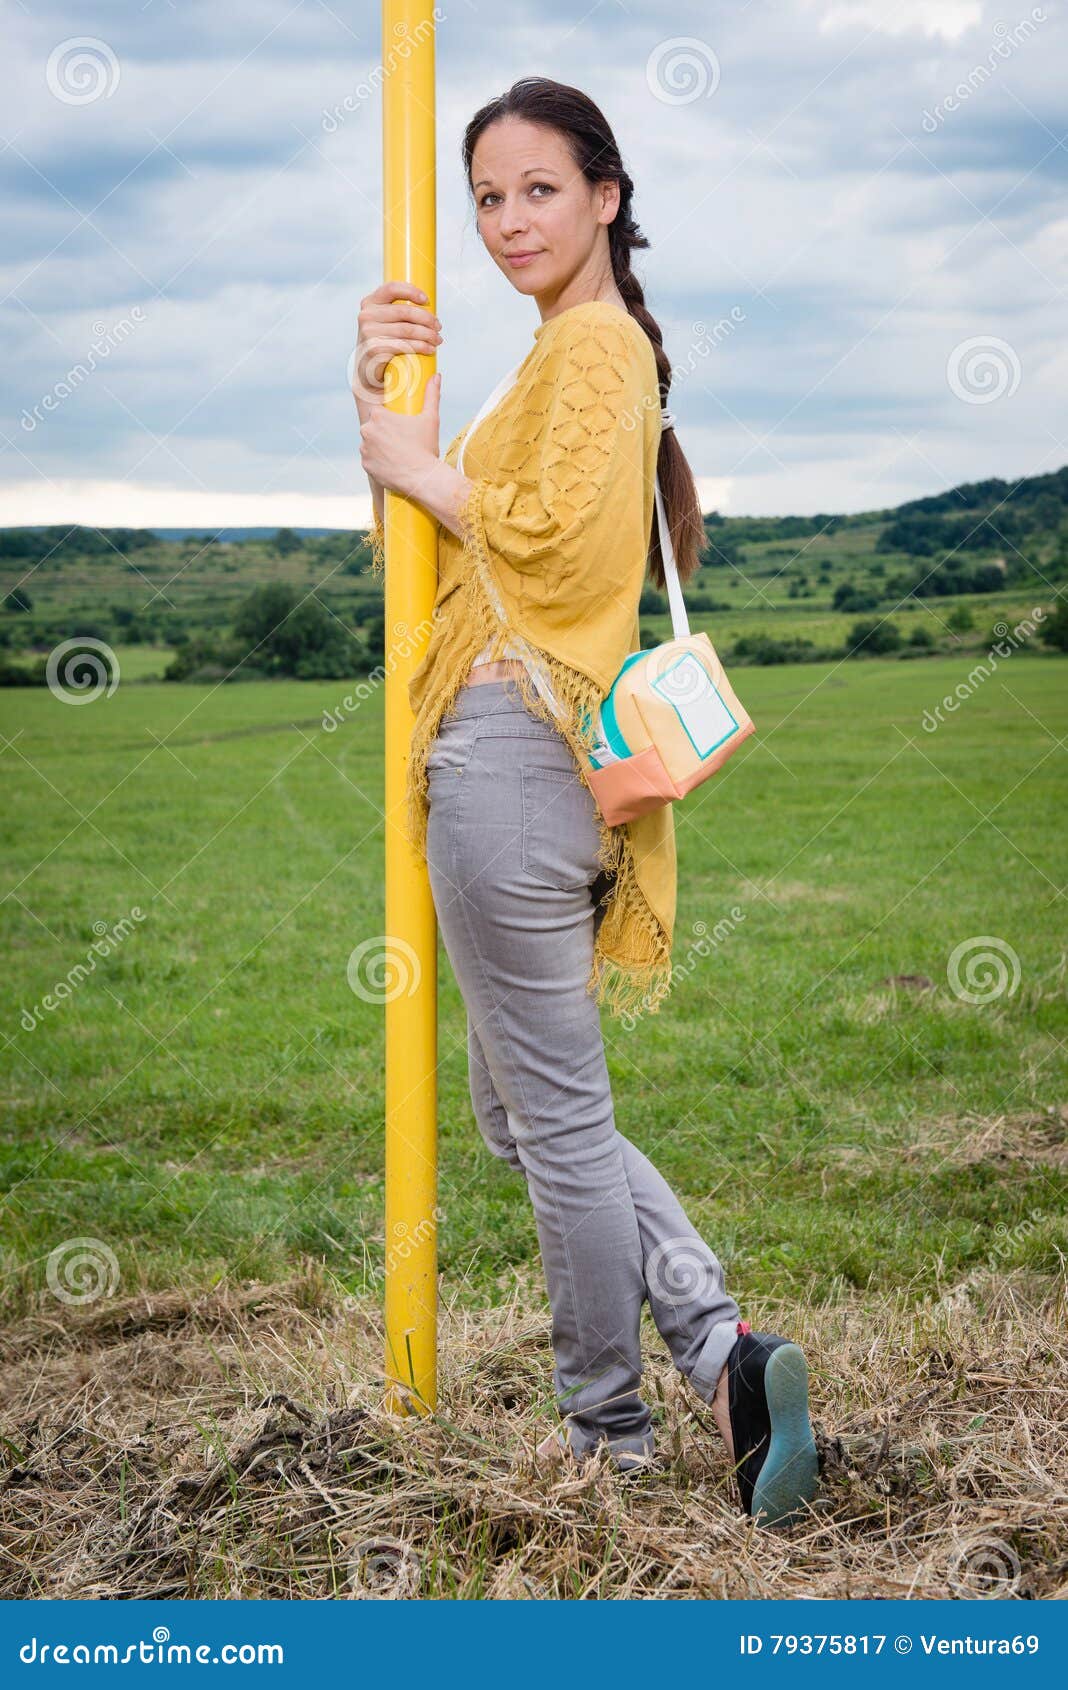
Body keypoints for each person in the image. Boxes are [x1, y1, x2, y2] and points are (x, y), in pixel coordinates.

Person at [353, 76, 819, 1527]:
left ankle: (607, 1430)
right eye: (486, 196)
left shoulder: (599, 347)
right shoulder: (561, 352)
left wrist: (424, 470)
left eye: (537, 189)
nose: (505, 221)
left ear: (607, 195)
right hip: (531, 761)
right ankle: (721, 1347)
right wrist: (379, 398)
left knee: (552, 1121)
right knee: (525, 1110)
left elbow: (548, 545)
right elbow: (436, 557)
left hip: (506, 757)